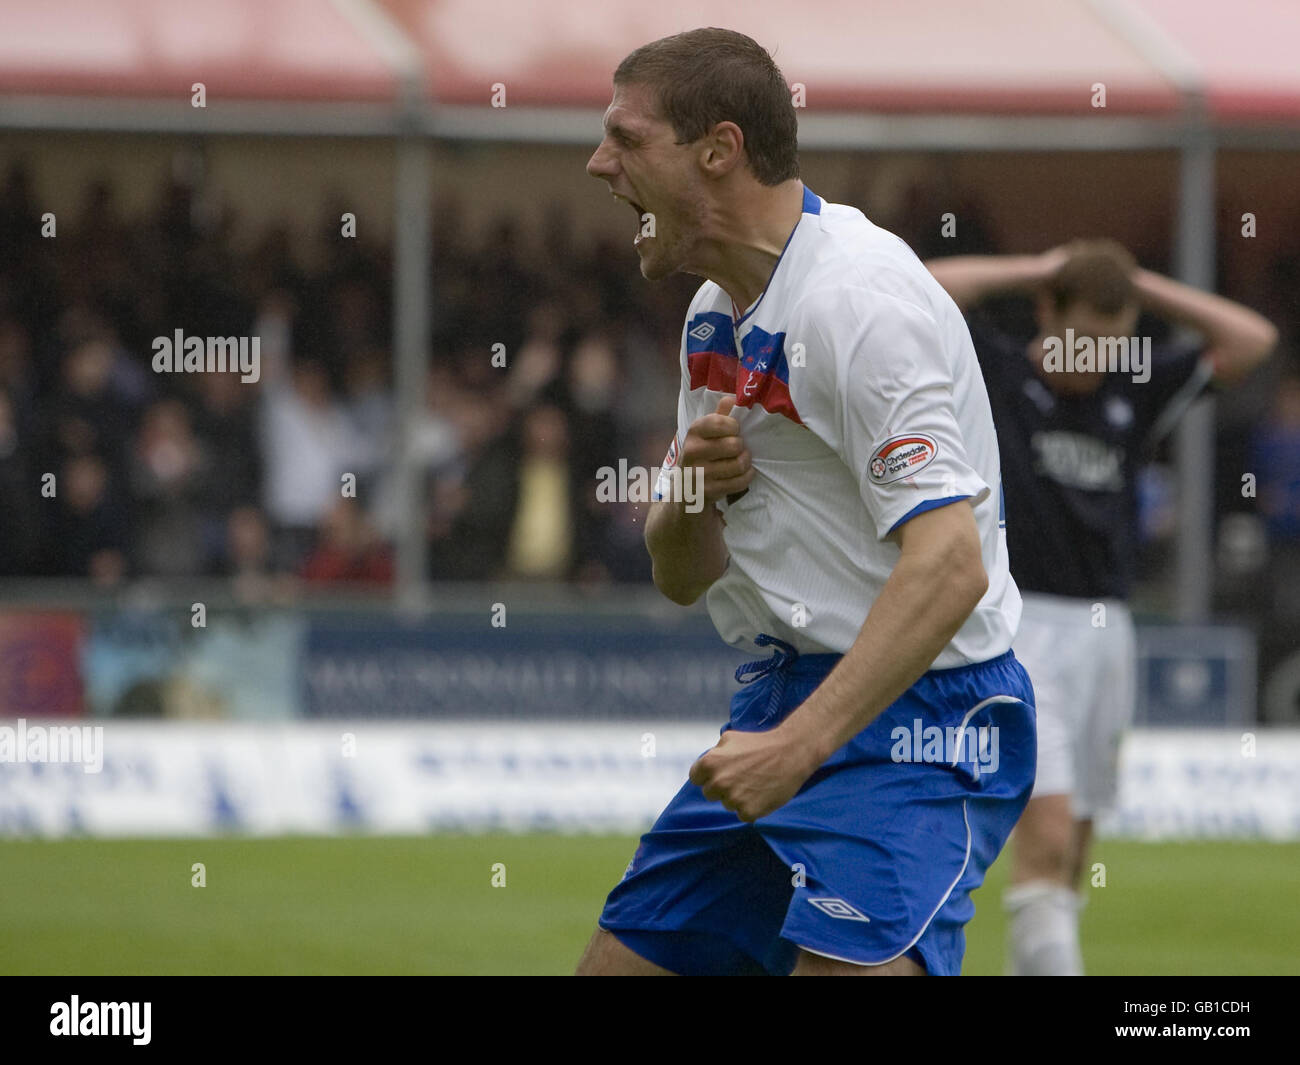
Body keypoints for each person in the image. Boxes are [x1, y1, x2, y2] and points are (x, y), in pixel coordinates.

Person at [575, 27, 1035, 977]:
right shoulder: (714, 313)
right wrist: (689, 499)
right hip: (782, 697)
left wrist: (802, 744)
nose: (598, 162)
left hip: (919, 716)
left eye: (626, 138)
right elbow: (683, 575)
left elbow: (951, 563)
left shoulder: (858, 302)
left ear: (719, 149)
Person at [926, 241, 1277, 975]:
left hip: (1106, 635)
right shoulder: (1003, 372)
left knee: (1074, 855)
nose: (1095, 355)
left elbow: (1254, 339)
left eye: (1112, 340)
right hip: (1023, 633)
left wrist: (1139, 283)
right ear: (1047, 312)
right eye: (1083, 333)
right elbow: (930, 285)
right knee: (1046, 841)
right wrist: (1037, 267)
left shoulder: (1136, 388)